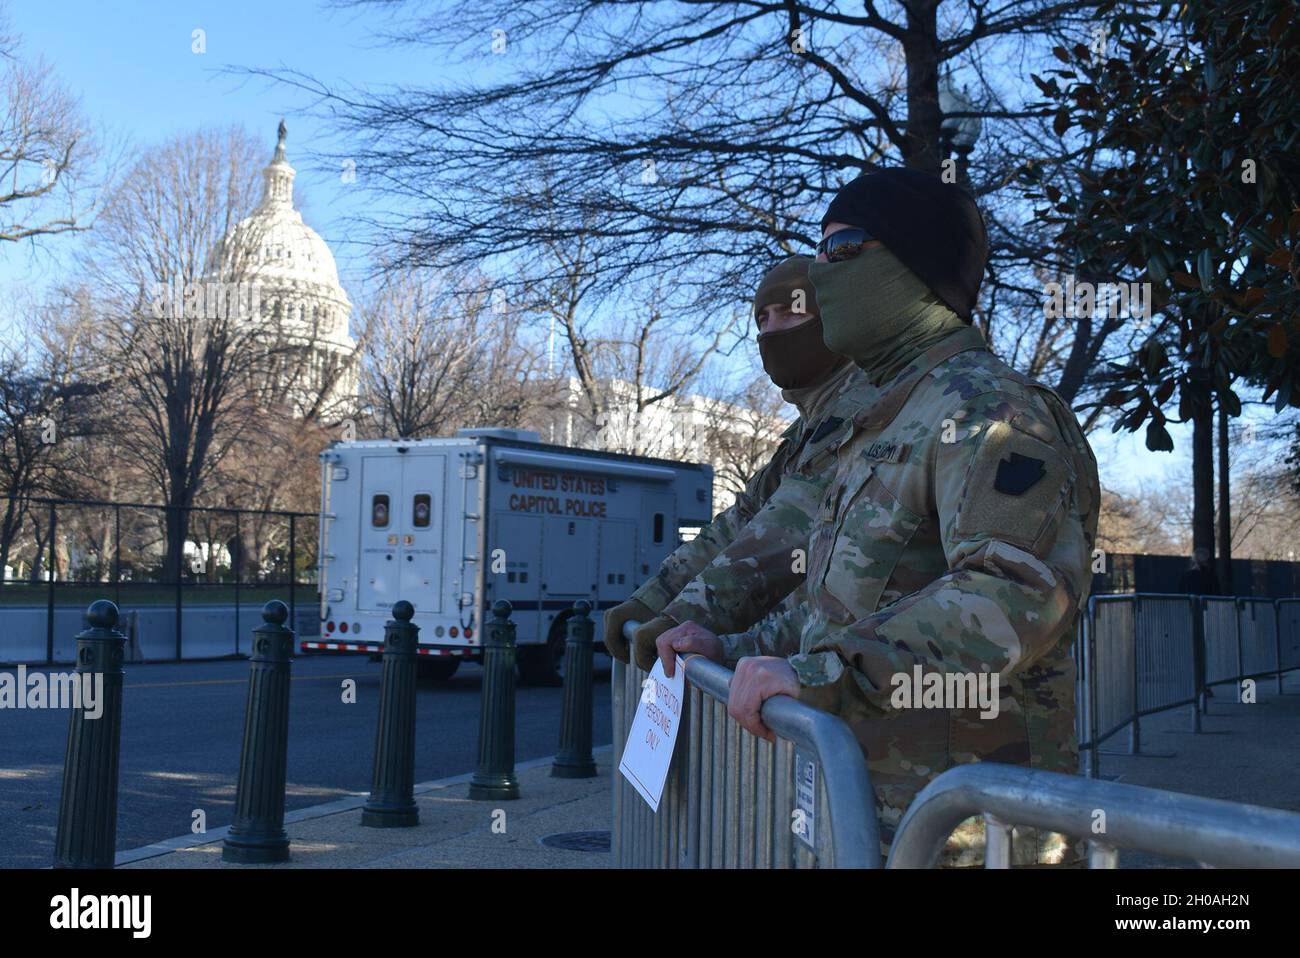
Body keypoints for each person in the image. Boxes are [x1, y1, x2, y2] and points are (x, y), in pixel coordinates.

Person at [657, 168, 1101, 866]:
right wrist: (737, 651)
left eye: (841, 249)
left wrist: (827, 672)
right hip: (872, 818)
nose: (817, 272)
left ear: (912, 265)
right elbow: (839, 600)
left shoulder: (987, 408)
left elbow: (1017, 590)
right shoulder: (887, 420)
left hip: (969, 836)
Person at [602, 257, 865, 665]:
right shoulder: (805, 431)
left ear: (835, 317)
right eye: (762, 318)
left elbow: (777, 538)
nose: (772, 330)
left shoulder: (862, 412)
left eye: (793, 311)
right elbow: (738, 524)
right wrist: (651, 600)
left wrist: (680, 616)